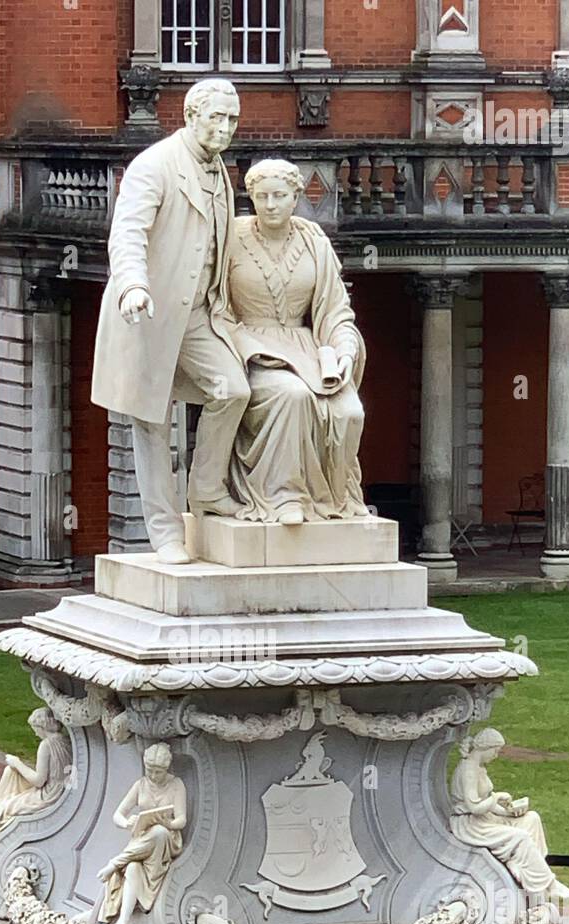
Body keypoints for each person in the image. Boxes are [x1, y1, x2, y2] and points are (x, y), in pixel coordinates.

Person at [90, 79, 250, 564]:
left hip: (201, 313)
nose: (225, 129)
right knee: (152, 423)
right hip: (149, 315)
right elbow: (127, 234)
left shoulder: (220, 169)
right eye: (216, 119)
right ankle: (164, 533)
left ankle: (204, 491)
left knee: (234, 389)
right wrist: (133, 285)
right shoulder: (154, 165)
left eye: (232, 120)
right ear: (191, 116)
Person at [225, 158, 370, 524]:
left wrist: (345, 352)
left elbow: (336, 310)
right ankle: (283, 495)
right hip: (249, 347)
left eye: (279, 195)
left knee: (350, 412)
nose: (270, 204)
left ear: (295, 198)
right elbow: (213, 301)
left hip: (306, 349)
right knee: (293, 396)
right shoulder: (231, 238)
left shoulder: (313, 241)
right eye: (261, 197)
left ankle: (334, 500)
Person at [449, 728, 569, 900]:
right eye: (495, 751)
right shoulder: (468, 770)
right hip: (472, 825)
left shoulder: (479, 769)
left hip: (486, 818)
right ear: (485, 748)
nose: (496, 756)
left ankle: (528, 872)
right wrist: (497, 797)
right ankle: (547, 884)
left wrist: (509, 812)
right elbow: (475, 807)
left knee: (532, 819)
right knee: (521, 836)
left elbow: (487, 805)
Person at [0, 708, 71, 865]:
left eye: (36, 729)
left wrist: (17, 763)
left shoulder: (47, 745)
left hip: (49, 795)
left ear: (42, 726)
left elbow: (38, 780)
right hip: (61, 790)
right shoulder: (66, 741)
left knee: (5, 806)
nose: (36, 734)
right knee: (10, 774)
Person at [97, 743, 187, 924]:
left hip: (166, 840)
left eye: (158, 772)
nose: (153, 776)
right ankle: (123, 920)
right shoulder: (141, 784)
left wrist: (167, 823)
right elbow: (118, 815)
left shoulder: (176, 784)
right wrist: (126, 823)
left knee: (159, 832)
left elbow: (181, 820)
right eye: (150, 771)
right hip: (143, 840)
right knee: (132, 868)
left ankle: (115, 863)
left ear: (166, 769)